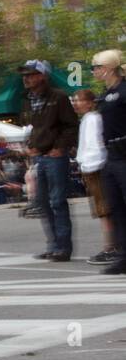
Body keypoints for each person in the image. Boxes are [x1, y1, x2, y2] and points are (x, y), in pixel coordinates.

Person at [18, 60, 79, 262]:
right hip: (39, 156)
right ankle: (53, 245)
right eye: (25, 75)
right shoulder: (28, 99)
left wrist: (59, 147)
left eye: (30, 74)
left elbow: (71, 126)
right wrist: (30, 143)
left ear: (42, 76)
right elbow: (33, 127)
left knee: (57, 201)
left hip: (54, 157)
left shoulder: (58, 97)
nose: (26, 78)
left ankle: (63, 247)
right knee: (43, 202)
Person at [72, 88, 117, 265]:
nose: (75, 103)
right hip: (92, 167)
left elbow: (95, 146)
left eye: (79, 100)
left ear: (90, 102)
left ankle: (110, 247)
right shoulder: (87, 119)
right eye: (74, 100)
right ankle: (111, 246)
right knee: (103, 210)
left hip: (95, 168)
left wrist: (88, 166)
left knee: (104, 210)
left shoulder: (93, 119)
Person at [92, 50, 126, 275]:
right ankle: (124, 255)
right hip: (111, 155)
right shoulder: (105, 94)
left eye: (96, 67)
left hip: (125, 153)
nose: (94, 71)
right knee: (116, 208)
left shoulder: (124, 90)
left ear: (108, 68)